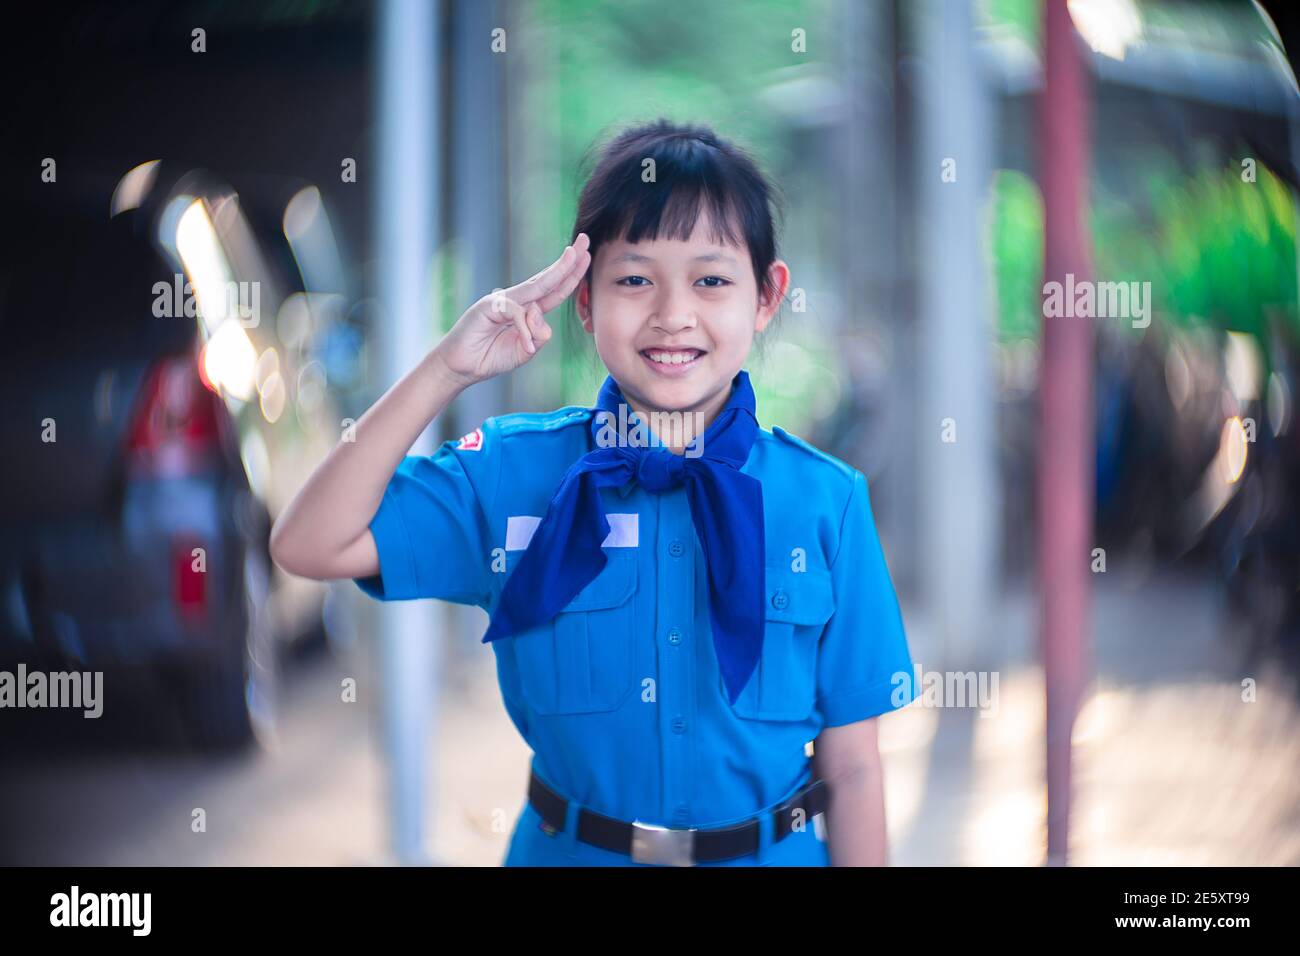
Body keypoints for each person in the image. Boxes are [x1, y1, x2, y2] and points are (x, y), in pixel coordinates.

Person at [270, 117, 918, 866]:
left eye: (711, 279)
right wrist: (446, 368)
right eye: (634, 279)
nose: (673, 314)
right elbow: (307, 542)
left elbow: (856, 766)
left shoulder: (825, 502)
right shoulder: (511, 475)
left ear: (767, 296)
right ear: (584, 301)